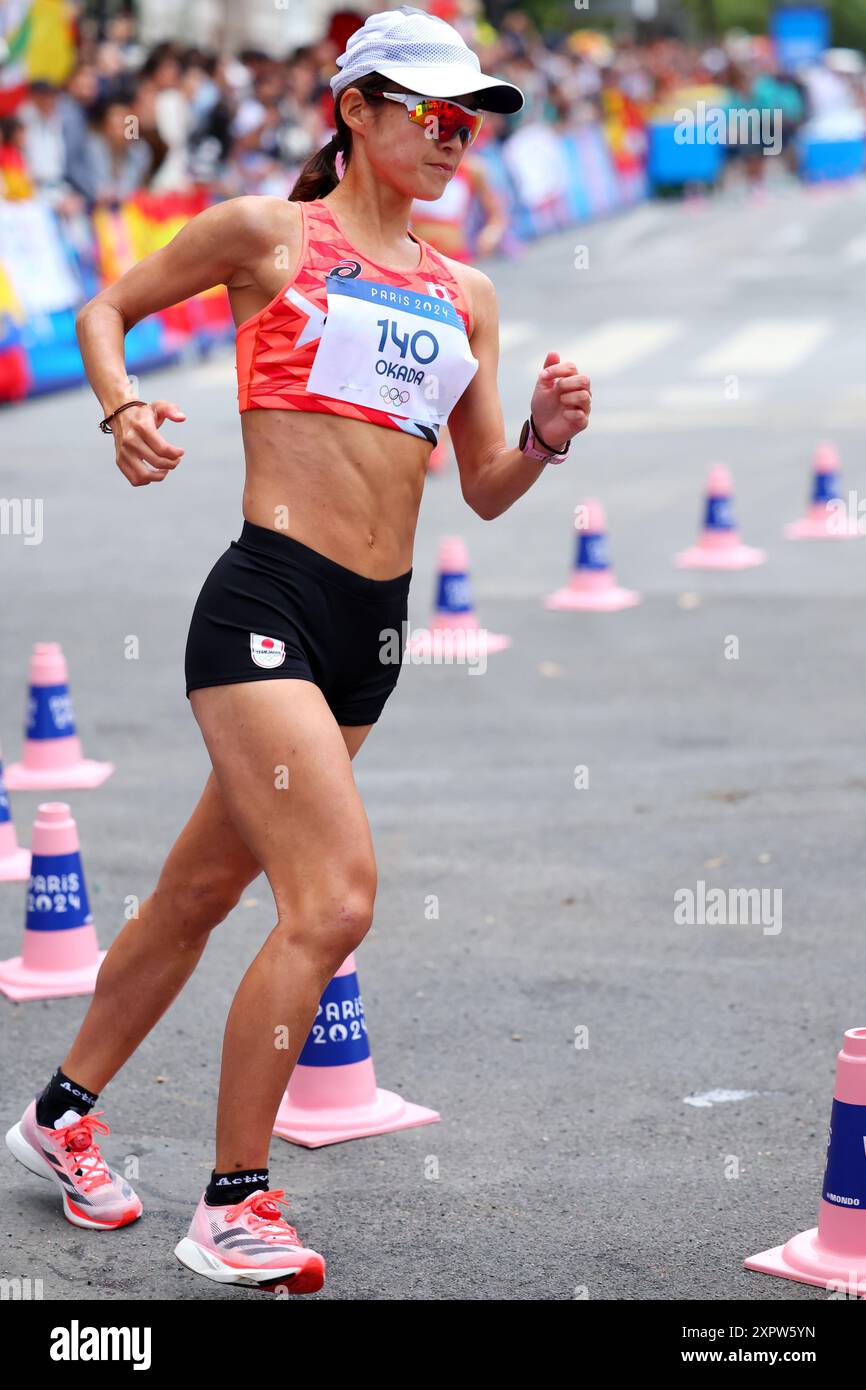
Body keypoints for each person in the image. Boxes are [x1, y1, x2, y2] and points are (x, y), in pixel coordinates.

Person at [5, 6, 591, 1296]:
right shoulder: (272, 235)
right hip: (265, 604)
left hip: (367, 638)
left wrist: (544, 436)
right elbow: (105, 309)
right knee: (332, 901)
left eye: (473, 122)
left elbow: (483, 488)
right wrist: (121, 412)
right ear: (360, 110)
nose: (457, 141)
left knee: (202, 894)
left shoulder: (465, 289)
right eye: (434, 115)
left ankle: (59, 1113)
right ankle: (235, 1199)